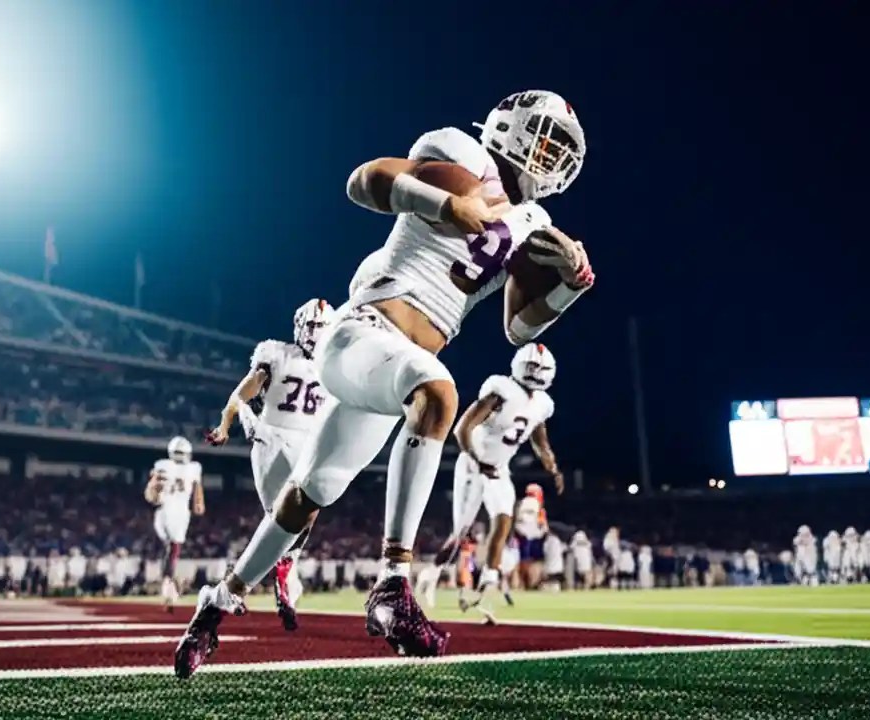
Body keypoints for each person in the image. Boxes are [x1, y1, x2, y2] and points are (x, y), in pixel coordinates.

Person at [175, 90, 592, 678]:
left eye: (562, 151)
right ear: (514, 127)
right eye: (547, 140)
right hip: (364, 330)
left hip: (395, 367)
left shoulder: (535, 222)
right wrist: (450, 208)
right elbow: (365, 180)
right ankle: (393, 583)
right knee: (440, 393)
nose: (553, 159)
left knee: (308, 495)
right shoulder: (465, 155)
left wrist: (570, 285)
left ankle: (214, 605)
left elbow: (520, 327)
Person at [207, 298, 336, 631]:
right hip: (288, 440)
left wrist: (227, 421)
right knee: (299, 514)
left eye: (317, 327)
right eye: (309, 326)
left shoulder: (279, 353)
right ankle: (284, 566)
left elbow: (245, 390)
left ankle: (252, 581)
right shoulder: (329, 364)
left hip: (273, 440)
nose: (312, 332)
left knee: (282, 520)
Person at [433, 343, 563, 610]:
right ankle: (430, 575)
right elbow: (462, 429)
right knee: (460, 534)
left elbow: (541, 442)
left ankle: (489, 579)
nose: (536, 373)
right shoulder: (501, 390)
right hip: (473, 462)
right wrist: (478, 460)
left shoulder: (541, 404)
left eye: (541, 368)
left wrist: (553, 468)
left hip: (499, 468)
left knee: (504, 518)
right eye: (532, 367)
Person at [145, 437, 205, 612]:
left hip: (163, 510)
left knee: (170, 548)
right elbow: (197, 491)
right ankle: (168, 584)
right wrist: (199, 504)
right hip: (179, 512)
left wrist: (153, 493)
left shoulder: (162, 465)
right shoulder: (194, 468)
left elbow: (151, 493)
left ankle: (167, 583)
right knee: (173, 549)